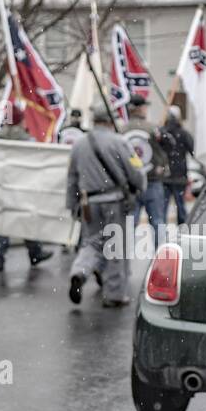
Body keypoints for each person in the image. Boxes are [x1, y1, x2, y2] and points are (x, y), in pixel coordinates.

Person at [67, 115, 145, 307]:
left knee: (92, 243)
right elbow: (135, 171)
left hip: (89, 202)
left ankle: (80, 271)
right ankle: (115, 294)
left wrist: (72, 205)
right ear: (110, 122)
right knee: (116, 247)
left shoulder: (79, 144)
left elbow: (72, 177)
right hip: (115, 200)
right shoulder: (120, 142)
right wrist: (140, 186)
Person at [0, 117, 56, 272]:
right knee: (27, 221)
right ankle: (35, 253)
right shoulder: (27, 140)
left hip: (2, 187)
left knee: (2, 223)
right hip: (22, 187)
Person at [126, 96, 170, 240]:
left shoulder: (121, 129)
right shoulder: (153, 128)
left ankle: (122, 259)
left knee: (129, 224)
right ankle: (161, 257)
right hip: (152, 180)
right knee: (158, 222)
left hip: (130, 183)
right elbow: (169, 144)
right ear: (140, 108)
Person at [157, 104, 195, 226]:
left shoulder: (162, 133)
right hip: (178, 175)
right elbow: (193, 150)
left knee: (163, 208)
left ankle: (161, 231)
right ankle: (183, 230)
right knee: (180, 206)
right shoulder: (183, 133)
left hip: (166, 175)